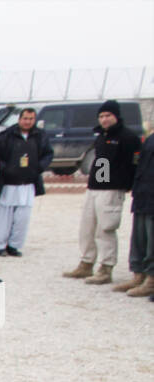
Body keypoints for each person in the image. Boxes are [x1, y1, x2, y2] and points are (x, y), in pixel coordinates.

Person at [63, 101, 142, 285]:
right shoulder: (101, 136)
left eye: (108, 115)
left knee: (105, 228)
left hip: (112, 189)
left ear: (116, 116)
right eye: (101, 116)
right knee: (87, 227)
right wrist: (96, 181)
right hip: (95, 188)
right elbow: (102, 163)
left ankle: (106, 267)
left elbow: (134, 164)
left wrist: (125, 184)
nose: (104, 119)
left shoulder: (128, 137)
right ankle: (86, 262)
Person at [0, 107, 52, 257]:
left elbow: (48, 154)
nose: (28, 122)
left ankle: (14, 245)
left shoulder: (40, 136)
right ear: (19, 119)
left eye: (31, 119)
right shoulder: (6, 135)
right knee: (4, 216)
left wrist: (38, 168)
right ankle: (0, 245)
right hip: (9, 183)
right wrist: (6, 169)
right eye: (25, 118)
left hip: (28, 183)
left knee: (23, 217)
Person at [116, 133, 154, 296]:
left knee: (152, 239)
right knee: (139, 237)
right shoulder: (150, 138)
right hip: (142, 193)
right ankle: (139, 273)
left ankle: (151, 280)